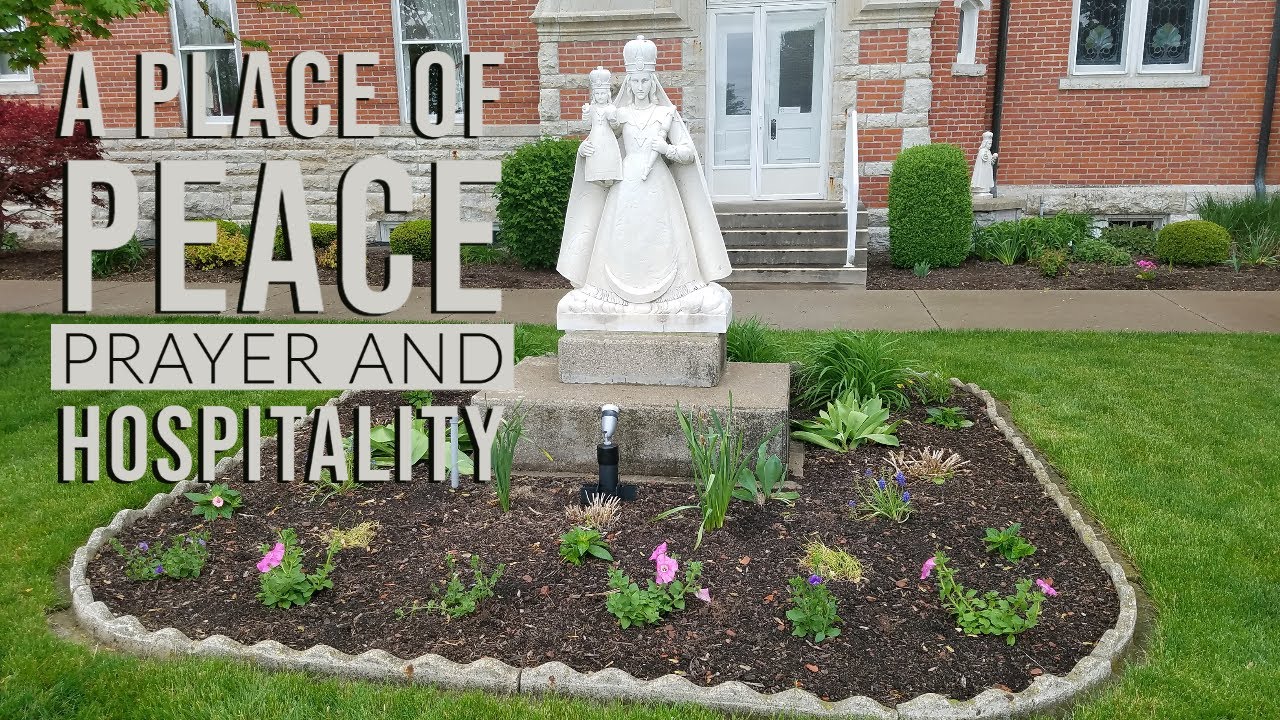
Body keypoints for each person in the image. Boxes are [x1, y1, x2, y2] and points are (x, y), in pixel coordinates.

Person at [557, 35, 731, 322]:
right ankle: (610, 291)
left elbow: (687, 153)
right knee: (622, 235)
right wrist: (583, 149)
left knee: (662, 236)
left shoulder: (666, 112)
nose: (639, 87)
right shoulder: (619, 113)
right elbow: (601, 140)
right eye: (634, 81)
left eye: (644, 81)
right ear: (629, 82)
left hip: (659, 185)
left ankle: (676, 290)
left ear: (653, 81)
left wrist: (665, 148)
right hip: (626, 185)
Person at [582, 66, 622, 187]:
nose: (600, 96)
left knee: (607, 157)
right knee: (595, 158)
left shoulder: (611, 108)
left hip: (608, 138)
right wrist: (586, 114)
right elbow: (586, 126)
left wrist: (613, 119)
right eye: (598, 94)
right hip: (595, 137)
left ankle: (609, 177)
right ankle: (596, 176)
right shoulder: (592, 108)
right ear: (594, 95)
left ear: (608, 94)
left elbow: (616, 127)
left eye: (603, 93)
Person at [971, 130, 998, 196]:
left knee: (986, 180)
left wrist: (994, 158)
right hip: (982, 170)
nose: (990, 145)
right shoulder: (982, 151)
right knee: (982, 179)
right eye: (989, 144)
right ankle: (980, 188)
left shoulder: (988, 152)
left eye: (991, 144)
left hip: (987, 170)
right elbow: (982, 158)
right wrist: (984, 156)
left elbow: (991, 162)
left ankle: (986, 189)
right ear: (985, 143)